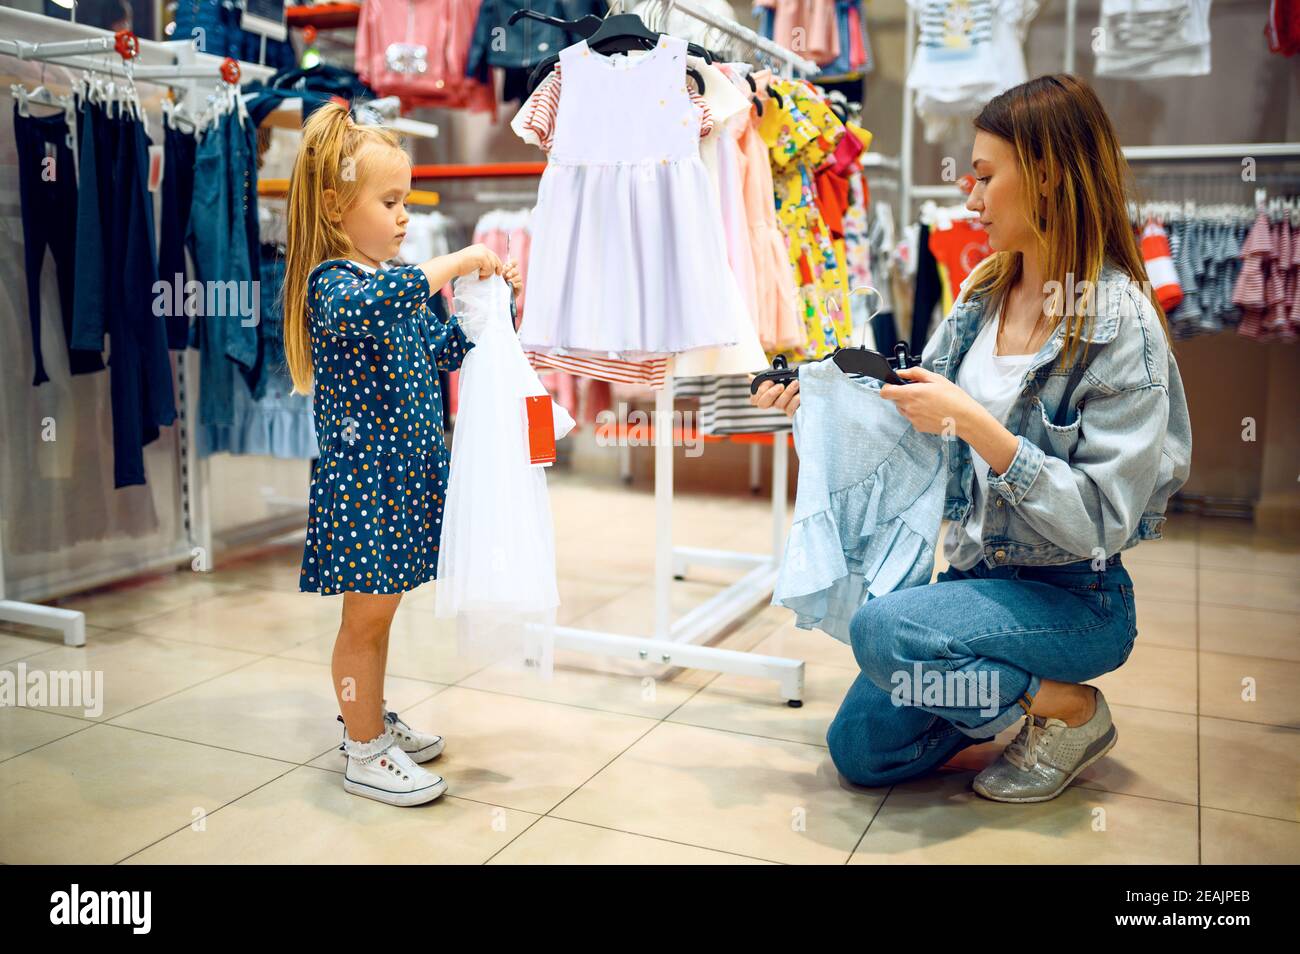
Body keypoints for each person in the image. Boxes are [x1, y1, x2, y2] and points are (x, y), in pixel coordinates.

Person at [751, 74, 1192, 803]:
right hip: (976, 578)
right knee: (860, 750)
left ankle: (1071, 710)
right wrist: (824, 397)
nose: (969, 195)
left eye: (985, 175)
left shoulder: (1121, 325)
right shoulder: (985, 290)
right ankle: (992, 689)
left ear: (1047, 176)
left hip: (1076, 597)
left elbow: (1103, 519)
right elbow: (921, 408)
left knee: (884, 630)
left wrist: (984, 431)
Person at [282, 102, 523, 807]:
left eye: (405, 202)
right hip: (364, 488)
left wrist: (490, 307)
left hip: (403, 479)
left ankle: (371, 718)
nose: (403, 217)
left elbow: (441, 351)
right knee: (365, 618)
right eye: (389, 201)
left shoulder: (395, 286)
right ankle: (362, 748)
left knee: (381, 614)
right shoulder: (337, 285)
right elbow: (386, 301)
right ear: (334, 206)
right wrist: (457, 262)